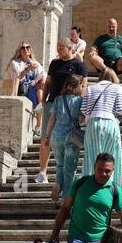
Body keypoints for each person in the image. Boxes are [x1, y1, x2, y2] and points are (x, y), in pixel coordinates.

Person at [37, 37, 86, 186]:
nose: (58, 50)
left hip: (71, 104)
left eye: (61, 47)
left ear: (70, 48)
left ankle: (65, 173)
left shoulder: (78, 64)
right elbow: (48, 83)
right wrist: (43, 102)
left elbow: (84, 85)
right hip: (53, 102)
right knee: (46, 137)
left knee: (68, 138)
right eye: (57, 47)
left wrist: (81, 106)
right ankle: (42, 172)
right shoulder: (55, 63)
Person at [81, 68, 122, 191]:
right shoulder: (118, 88)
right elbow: (120, 109)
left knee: (91, 156)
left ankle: (89, 188)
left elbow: (84, 110)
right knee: (112, 157)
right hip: (110, 123)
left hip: (93, 124)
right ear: (113, 77)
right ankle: (112, 190)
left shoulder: (90, 88)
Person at [44, 73, 85, 203]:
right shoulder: (79, 100)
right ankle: (65, 200)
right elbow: (81, 119)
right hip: (71, 137)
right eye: (81, 85)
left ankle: (58, 183)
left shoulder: (58, 99)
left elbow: (52, 118)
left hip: (56, 135)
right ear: (75, 86)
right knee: (70, 170)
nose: (83, 88)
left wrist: (46, 136)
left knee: (60, 165)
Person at [3, 43, 45, 129]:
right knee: (38, 93)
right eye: (23, 48)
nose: (25, 49)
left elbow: (43, 74)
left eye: (28, 47)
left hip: (32, 87)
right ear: (19, 50)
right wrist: (28, 69)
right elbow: (17, 78)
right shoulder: (14, 63)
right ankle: (38, 124)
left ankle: (38, 124)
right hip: (19, 87)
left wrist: (40, 82)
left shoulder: (34, 62)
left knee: (40, 92)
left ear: (30, 50)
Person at [89, 18, 122, 82]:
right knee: (92, 56)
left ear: (117, 27)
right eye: (109, 27)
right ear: (106, 27)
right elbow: (94, 47)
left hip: (117, 64)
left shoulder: (121, 39)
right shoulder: (100, 38)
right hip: (103, 64)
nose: (111, 29)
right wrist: (93, 51)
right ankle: (107, 71)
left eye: (113, 27)